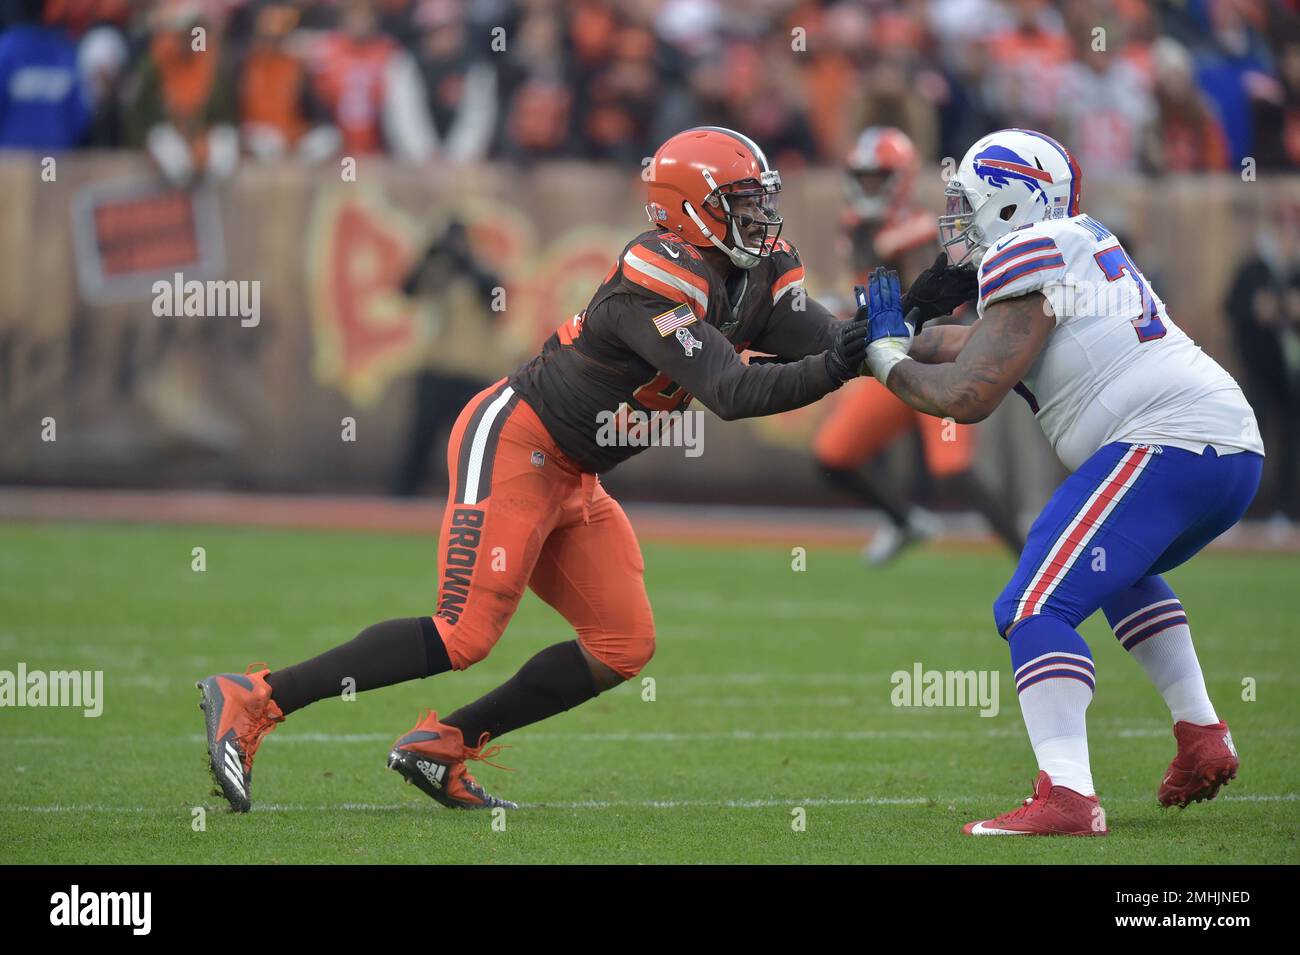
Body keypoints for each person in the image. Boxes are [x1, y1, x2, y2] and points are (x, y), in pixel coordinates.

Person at [197, 126, 959, 812]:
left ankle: (443, 744)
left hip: (577, 474)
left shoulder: (757, 274)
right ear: (691, 208)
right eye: (741, 201)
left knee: (622, 643)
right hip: (518, 441)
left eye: (762, 199)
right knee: (465, 632)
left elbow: (831, 339)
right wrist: (845, 359)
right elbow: (732, 390)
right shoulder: (656, 271)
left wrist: (931, 319)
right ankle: (257, 696)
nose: (760, 216)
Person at [859, 128, 1263, 835]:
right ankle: (1200, 730)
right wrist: (894, 335)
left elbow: (969, 393)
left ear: (1015, 203)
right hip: (1223, 454)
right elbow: (972, 344)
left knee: (1033, 603)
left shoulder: (1027, 250)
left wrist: (886, 364)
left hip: (1164, 442)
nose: (956, 218)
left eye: (969, 202)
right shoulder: (1070, 247)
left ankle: (1068, 796)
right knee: (1115, 571)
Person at [812, 126, 1023, 563]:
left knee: (954, 472)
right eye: (864, 176)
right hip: (889, 356)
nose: (869, 186)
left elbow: (927, 302)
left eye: (878, 177)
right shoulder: (854, 227)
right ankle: (905, 520)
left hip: (937, 360)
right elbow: (867, 294)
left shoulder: (917, 231)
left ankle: (1030, 558)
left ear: (899, 179)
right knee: (832, 457)